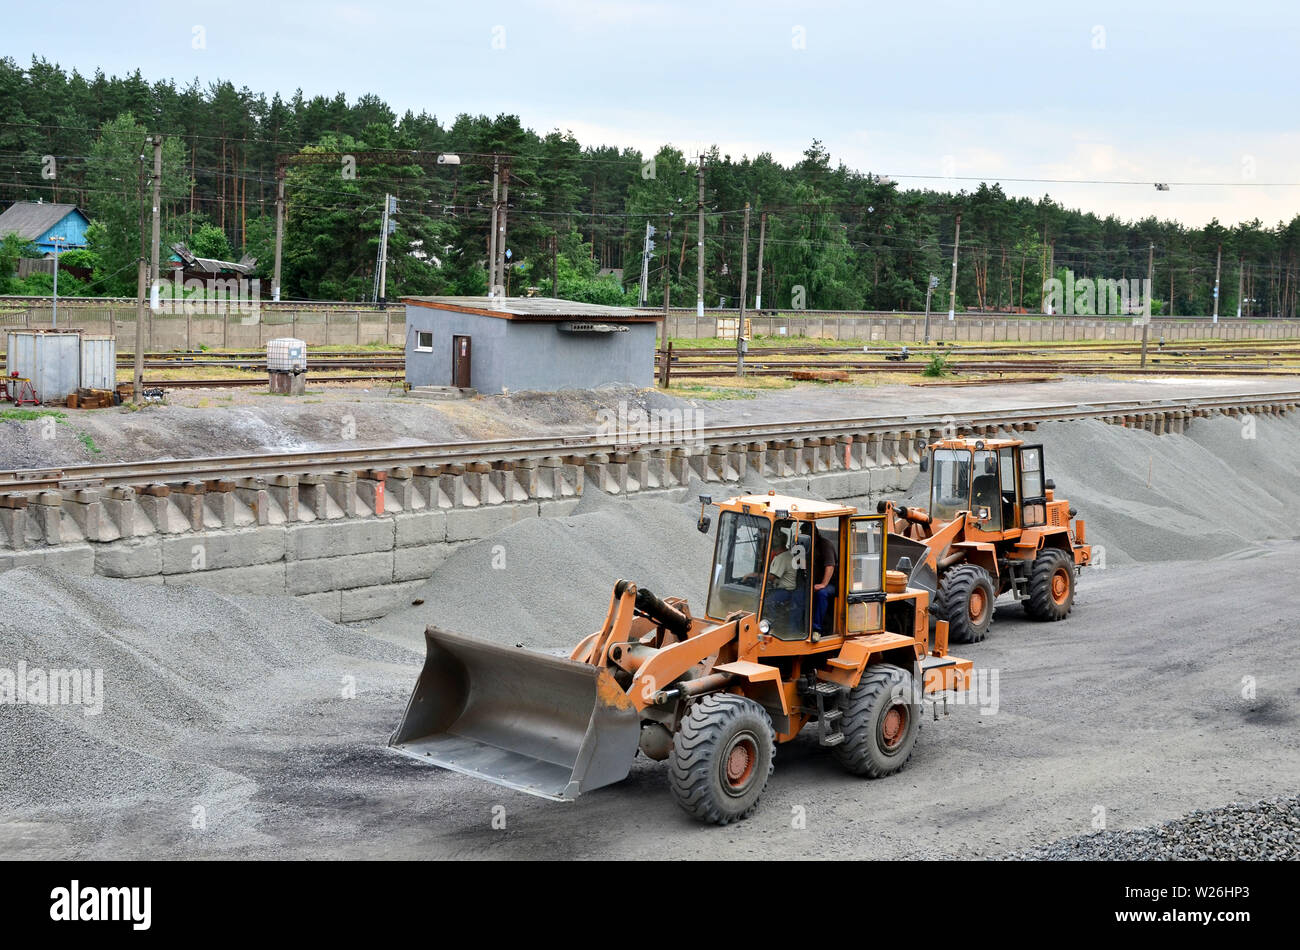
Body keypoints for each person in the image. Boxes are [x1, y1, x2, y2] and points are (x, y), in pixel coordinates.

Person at [811, 526, 837, 633]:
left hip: (830, 583)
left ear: (815, 534)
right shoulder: (805, 545)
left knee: (822, 593)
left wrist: (823, 584)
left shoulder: (825, 545)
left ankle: (816, 629)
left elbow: (830, 566)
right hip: (813, 582)